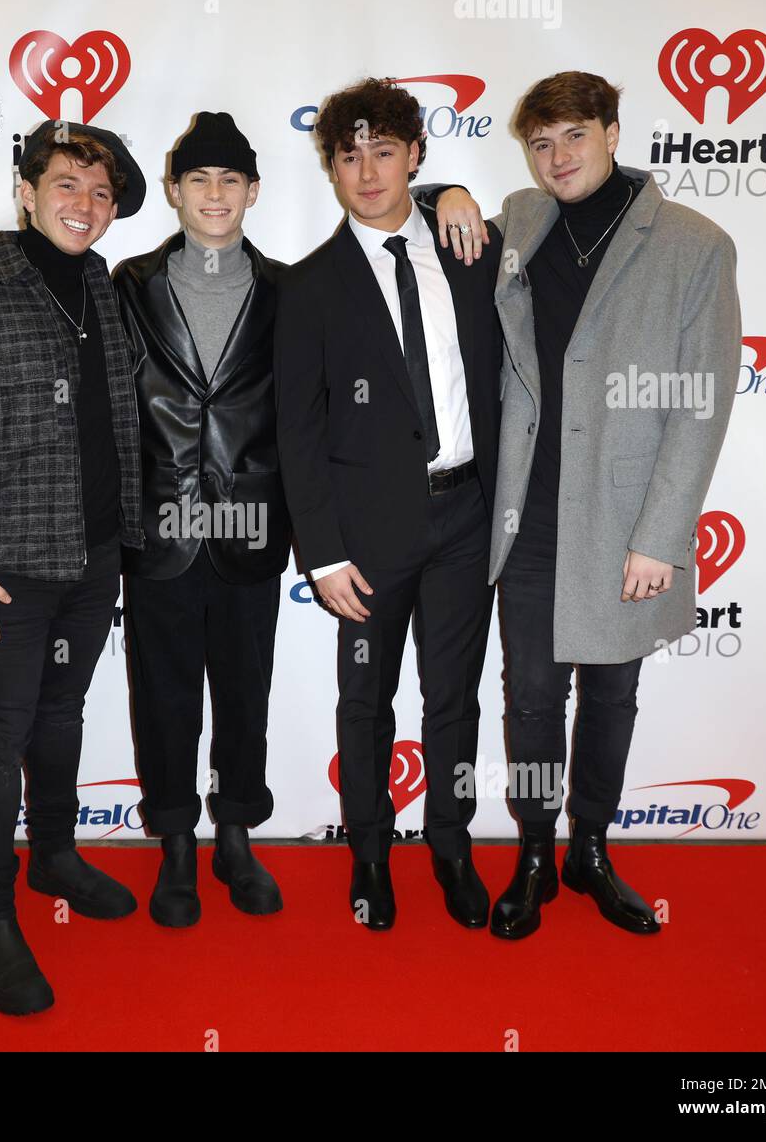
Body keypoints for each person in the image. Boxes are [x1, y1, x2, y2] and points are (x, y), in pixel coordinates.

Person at [423, 71, 740, 938]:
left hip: (626, 524)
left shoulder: (694, 244)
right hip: (526, 515)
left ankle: (589, 847)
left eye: (573, 136)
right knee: (529, 696)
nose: (557, 157)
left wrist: (662, 538)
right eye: (540, 141)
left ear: (610, 130)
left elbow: (701, 405)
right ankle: (533, 852)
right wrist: (443, 187)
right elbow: (405, 210)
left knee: (612, 697)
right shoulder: (521, 219)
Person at [0, 120, 146, 1014]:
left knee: (63, 715)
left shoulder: (104, 290)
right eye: (65, 185)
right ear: (25, 191)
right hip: (2, 570)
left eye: (100, 192)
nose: (83, 205)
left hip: (95, 557)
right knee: (1, 734)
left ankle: (54, 854)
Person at [275, 78, 503, 932]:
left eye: (383, 151)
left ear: (415, 154)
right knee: (365, 703)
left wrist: (458, 195)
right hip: (367, 539)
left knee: (454, 696)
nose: (367, 173)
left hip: (466, 517)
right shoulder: (309, 287)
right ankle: (369, 854)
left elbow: (563, 208)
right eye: (348, 155)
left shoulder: (471, 247)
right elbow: (296, 433)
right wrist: (326, 553)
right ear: (330, 167)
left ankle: (451, 845)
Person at [113, 112, 289, 928]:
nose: (214, 195)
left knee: (245, 694)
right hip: (160, 528)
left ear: (253, 192)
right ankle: (176, 839)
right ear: (175, 191)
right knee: (165, 697)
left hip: (253, 529)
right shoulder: (126, 284)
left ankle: (236, 833)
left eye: (230, 181)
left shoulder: (294, 290)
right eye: (198, 181)